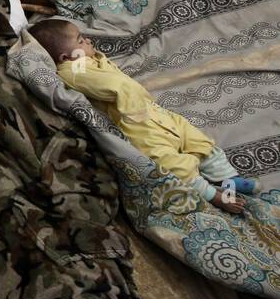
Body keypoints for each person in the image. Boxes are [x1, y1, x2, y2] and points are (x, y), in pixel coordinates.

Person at [33, 18, 257, 213]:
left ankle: (228, 178)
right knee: (170, 163)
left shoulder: (86, 60)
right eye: (80, 40)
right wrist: (135, 107)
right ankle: (215, 196)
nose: (88, 41)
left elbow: (103, 70)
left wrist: (87, 52)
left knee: (197, 139)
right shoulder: (73, 70)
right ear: (64, 57)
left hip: (154, 113)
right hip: (137, 124)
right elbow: (113, 86)